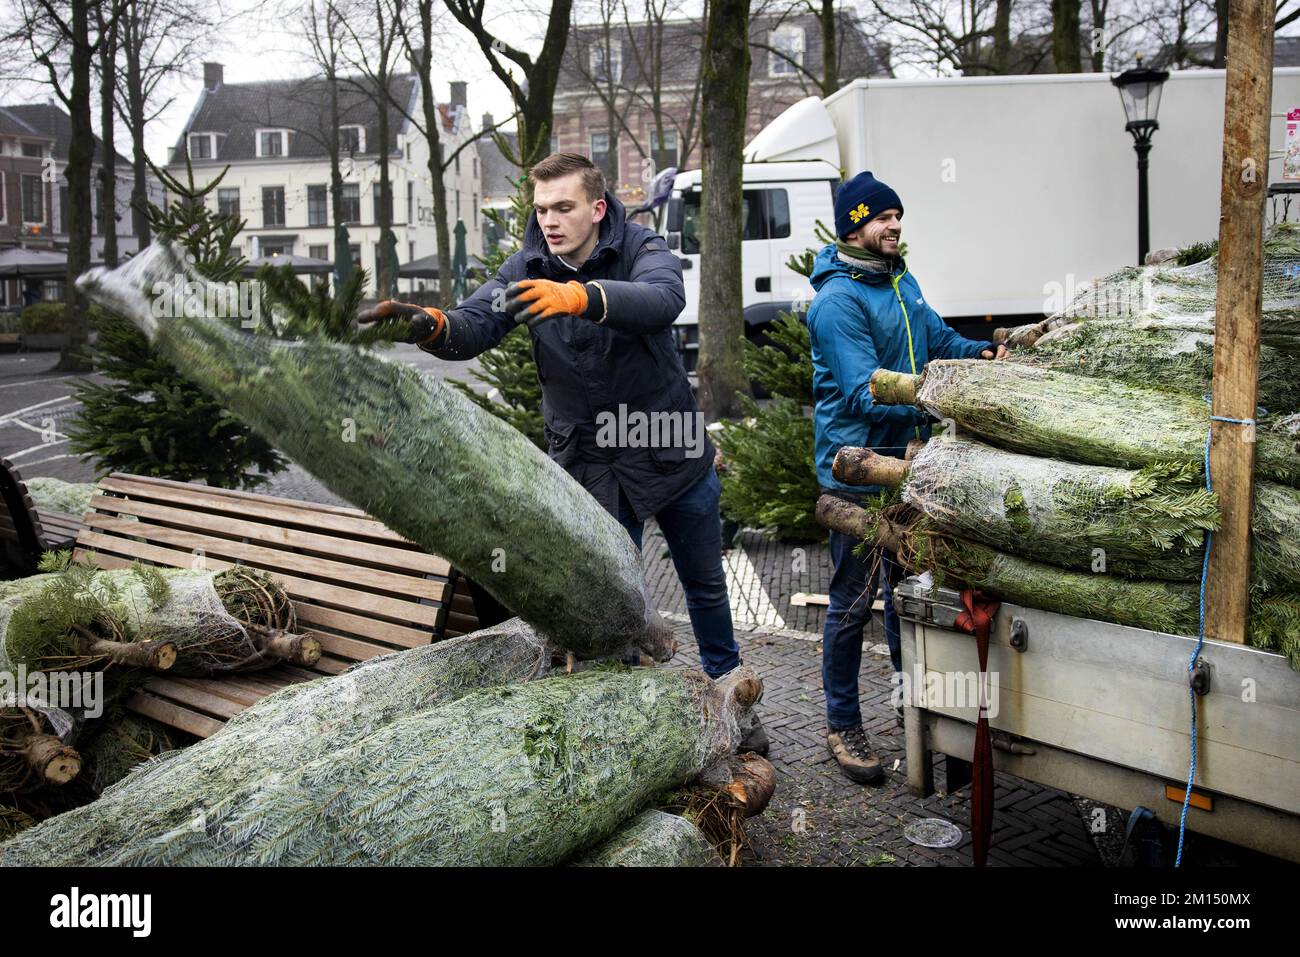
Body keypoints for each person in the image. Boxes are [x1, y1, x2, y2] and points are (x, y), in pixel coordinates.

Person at [358, 152, 767, 754]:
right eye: (541, 208)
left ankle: (735, 700)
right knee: (618, 604)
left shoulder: (641, 246)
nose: (550, 220)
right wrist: (427, 324)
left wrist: (580, 297)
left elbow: (663, 298)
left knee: (703, 586)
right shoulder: (524, 267)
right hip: (593, 463)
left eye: (564, 207)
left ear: (597, 208)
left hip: (669, 449)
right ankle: (638, 734)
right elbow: (476, 324)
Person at [807, 170, 1005, 784]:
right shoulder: (837, 302)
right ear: (853, 226)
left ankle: (915, 712)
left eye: (898, 215)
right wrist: (941, 400)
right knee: (851, 605)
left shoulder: (899, 280)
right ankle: (843, 724)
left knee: (909, 602)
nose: (895, 225)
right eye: (882, 218)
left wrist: (980, 357)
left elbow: (937, 336)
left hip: (913, 471)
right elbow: (867, 393)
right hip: (859, 473)